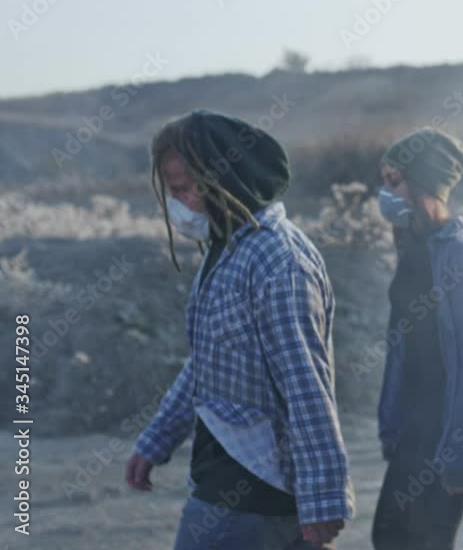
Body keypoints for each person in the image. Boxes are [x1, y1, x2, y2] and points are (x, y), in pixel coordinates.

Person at [124, 110, 354, 550]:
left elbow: (305, 382)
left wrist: (323, 498)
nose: (180, 202)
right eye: (174, 191)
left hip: (253, 492)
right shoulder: (228, 248)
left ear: (227, 180)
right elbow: (207, 360)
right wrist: (158, 437)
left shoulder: (276, 261)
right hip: (227, 479)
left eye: (187, 188)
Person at [373, 127, 463, 550]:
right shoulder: (416, 248)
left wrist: (459, 456)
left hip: (447, 434)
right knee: (389, 539)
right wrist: (391, 424)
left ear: (425, 183)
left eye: (395, 181)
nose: (386, 191)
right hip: (414, 430)